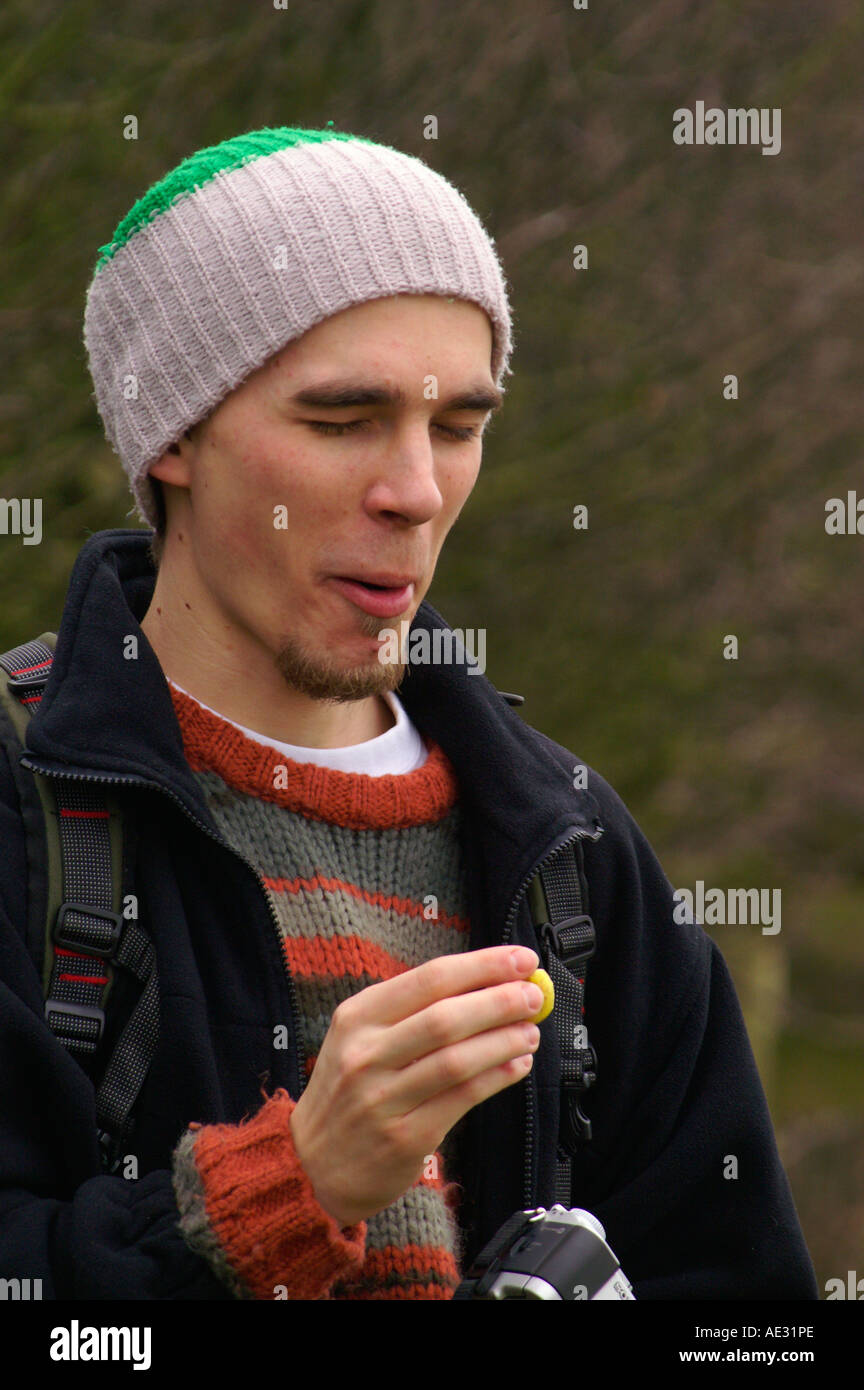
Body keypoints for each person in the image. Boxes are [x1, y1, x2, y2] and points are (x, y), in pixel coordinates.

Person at [0, 125, 817, 1301]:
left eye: (460, 425)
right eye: (343, 421)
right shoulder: (25, 810)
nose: (416, 492)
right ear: (173, 433)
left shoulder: (571, 849)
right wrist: (286, 1191)